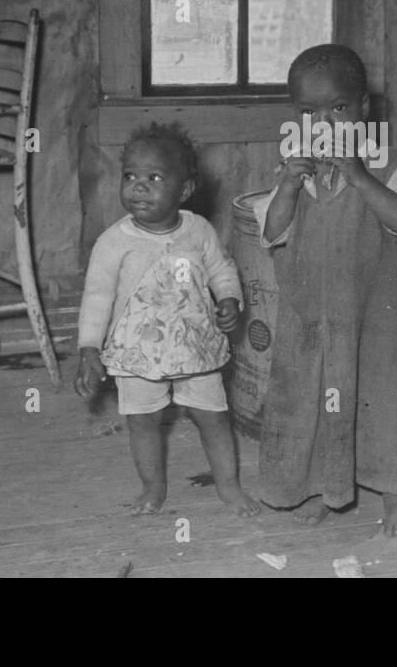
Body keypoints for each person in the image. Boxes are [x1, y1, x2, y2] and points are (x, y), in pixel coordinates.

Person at [253, 44, 397, 535]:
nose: (323, 123)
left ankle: (395, 493)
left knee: (380, 398)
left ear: (365, 109)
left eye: (339, 109)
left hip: (372, 319)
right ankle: (328, 491)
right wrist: (287, 186)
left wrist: (358, 174)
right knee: (311, 400)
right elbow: (271, 232)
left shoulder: (389, 165)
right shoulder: (292, 168)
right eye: (308, 112)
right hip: (309, 320)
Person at [73, 122, 258, 516]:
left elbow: (222, 270)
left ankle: (229, 486)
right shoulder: (113, 242)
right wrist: (89, 347)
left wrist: (229, 300)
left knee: (213, 417)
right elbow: (97, 296)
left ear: (185, 190)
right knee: (144, 422)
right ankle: (153, 488)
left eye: (154, 177)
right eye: (130, 176)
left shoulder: (199, 231)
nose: (139, 186)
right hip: (137, 351)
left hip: (195, 345)